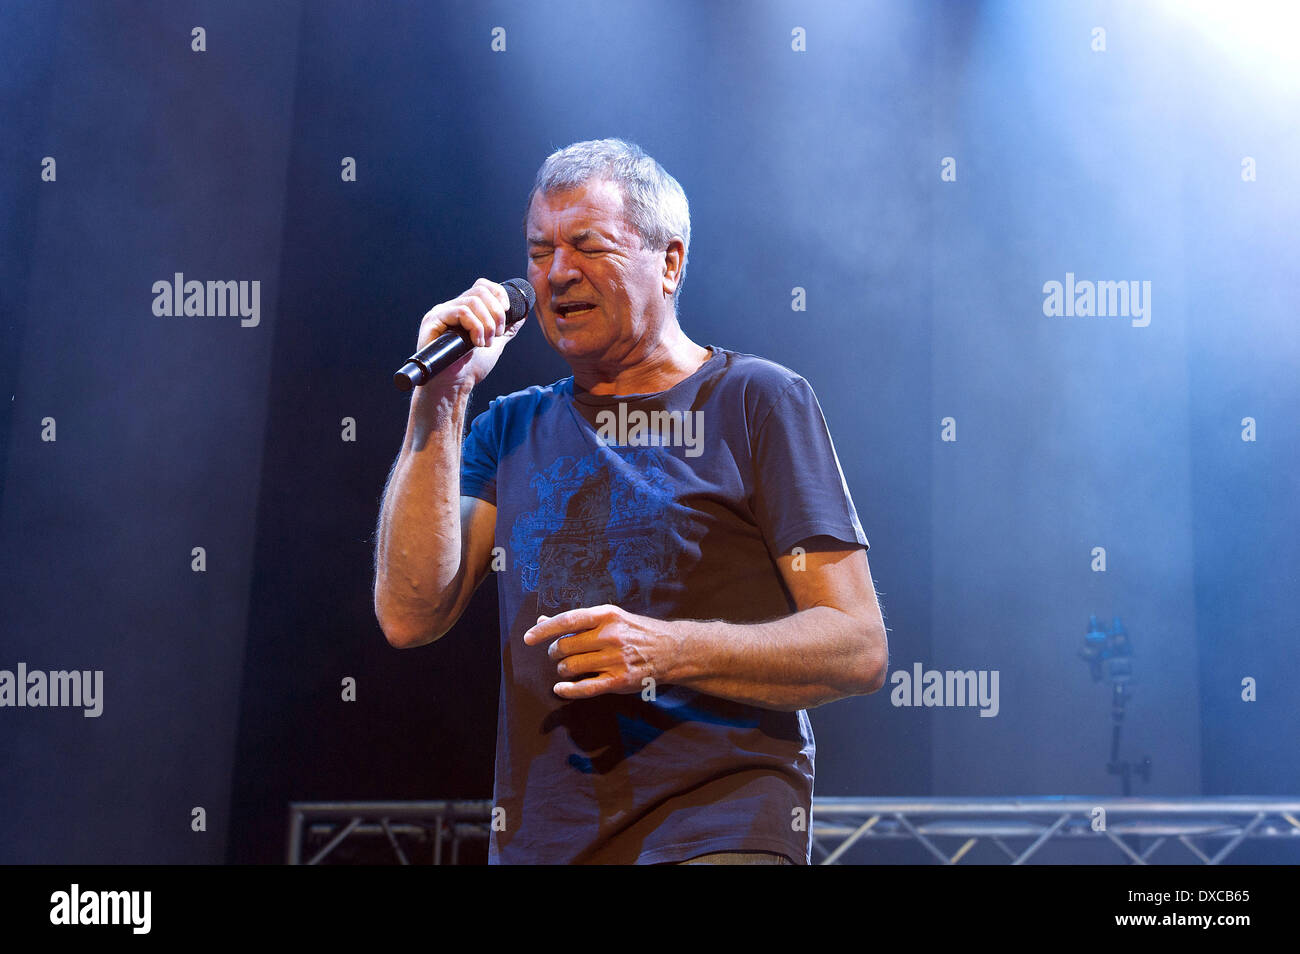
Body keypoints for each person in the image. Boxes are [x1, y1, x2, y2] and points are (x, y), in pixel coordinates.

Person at [373, 138, 888, 865]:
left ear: (670, 261)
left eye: (588, 246)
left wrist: (666, 650)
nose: (556, 275)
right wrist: (444, 400)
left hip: (717, 831)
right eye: (539, 251)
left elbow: (857, 645)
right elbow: (408, 613)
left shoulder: (755, 401)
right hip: (540, 846)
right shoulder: (507, 429)